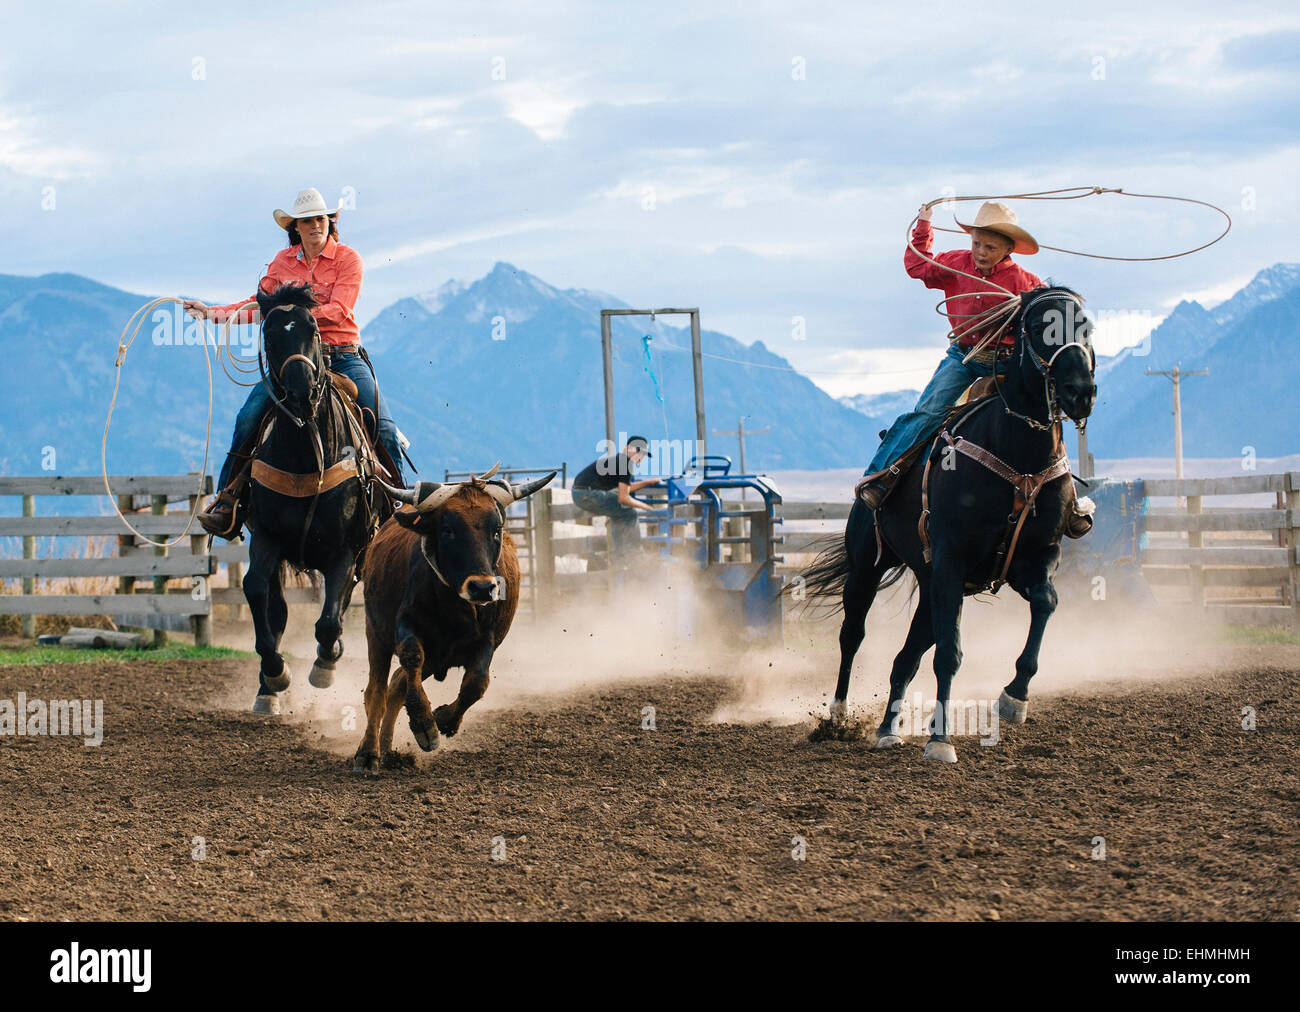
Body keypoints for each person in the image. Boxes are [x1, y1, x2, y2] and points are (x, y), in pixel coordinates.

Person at [186, 187, 407, 537]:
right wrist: (214, 313)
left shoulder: (348, 259)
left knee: (383, 426)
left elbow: (340, 309)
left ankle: (404, 507)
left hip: (342, 356)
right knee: (247, 419)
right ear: (297, 228)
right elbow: (258, 305)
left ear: (329, 222)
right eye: (308, 221)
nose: (316, 225)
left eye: (321, 218)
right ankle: (228, 502)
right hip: (295, 360)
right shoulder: (281, 262)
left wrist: (292, 315)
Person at [855, 200, 1045, 509]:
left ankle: (1063, 498)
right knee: (928, 412)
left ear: (1008, 249)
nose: (981, 252)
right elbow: (918, 265)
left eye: (991, 247)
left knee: (1039, 416)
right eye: (977, 244)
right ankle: (880, 477)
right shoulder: (956, 263)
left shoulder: (1027, 283)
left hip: (1006, 361)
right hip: (963, 357)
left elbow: (1046, 311)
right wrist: (924, 226)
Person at [571, 436, 660, 563]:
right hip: (587, 494)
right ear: (627, 449)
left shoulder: (620, 461)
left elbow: (625, 489)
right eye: (638, 452)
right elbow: (623, 498)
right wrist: (647, 508)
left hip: (580, 493)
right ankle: (635, 555)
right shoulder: (626, 463)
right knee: (629, 512)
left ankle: (619, 556)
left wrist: (647, 482)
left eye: (643, 454)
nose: (640, 456)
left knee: (617, 513)